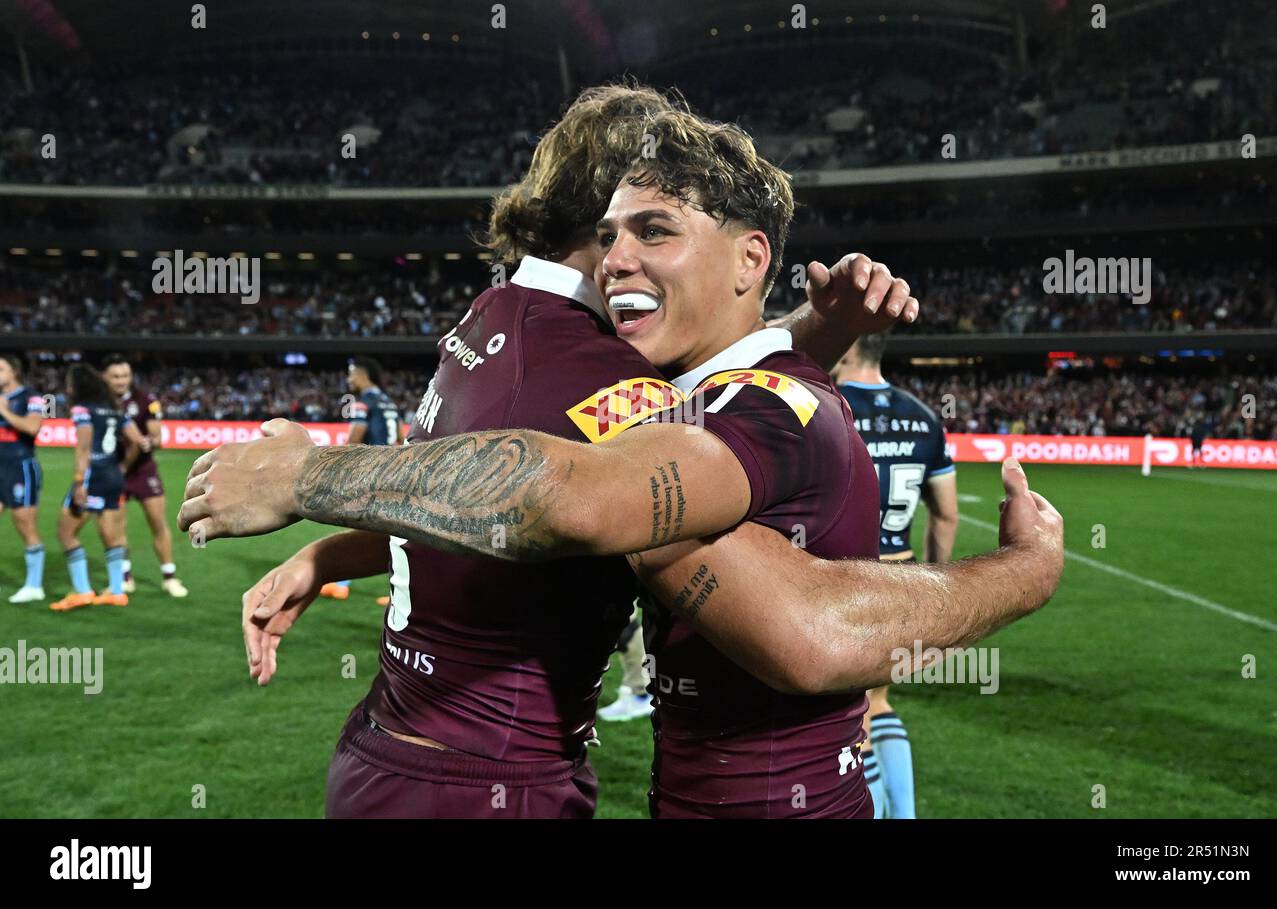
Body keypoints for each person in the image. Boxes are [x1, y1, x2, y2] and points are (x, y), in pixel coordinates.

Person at [179, 104, 1064, 818]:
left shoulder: (706, 392)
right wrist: (332, 545)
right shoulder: (676, 390)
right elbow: (540, 488)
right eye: (609, 236)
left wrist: (308, 481)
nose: (618, 261)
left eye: (654, 231)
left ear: (751, 257)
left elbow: (584, 507)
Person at [836, 333, 959, 819]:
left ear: (846, 351)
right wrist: (935, 581)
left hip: (848, 577)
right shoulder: (924, 415)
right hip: (903, 574)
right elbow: (946, 513)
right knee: (878, 701)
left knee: (848, 716)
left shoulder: (827, 406)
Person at [51, 364, 147, 612]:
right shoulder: (115, 409)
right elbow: (139, 441)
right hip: (113, 475)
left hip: (93, 475)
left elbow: (83, 447)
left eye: (69, 382)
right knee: (111, 535)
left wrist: (78, 479)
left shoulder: (83, 409)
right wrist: (124, 465)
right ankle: (116, 592)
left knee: (66, 533)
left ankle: (82, 591)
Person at [318, 356, 405, 602]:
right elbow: (399, 436)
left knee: (357, 525)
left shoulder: (363, 402)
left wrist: (340, 466)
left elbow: (355, 437)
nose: (349, 379)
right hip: (393, 469)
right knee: (393, 531)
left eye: (352, 374)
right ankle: (400, 589)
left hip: (372, 470)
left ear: (363, 375)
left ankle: (340, 583)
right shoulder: (388, 401)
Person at [101, 354, 188, 598]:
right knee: (116, 527)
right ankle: (125, 578)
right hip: (112, 472)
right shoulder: (98, 402)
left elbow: (158, 437)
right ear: (104, 377)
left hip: (142, 471)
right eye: (116, 376)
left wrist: (149, 443)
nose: (121, 381)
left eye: (125, 375)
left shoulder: (145, 400)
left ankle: (169, 577)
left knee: (157, 523)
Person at [0, 353, 48, 604]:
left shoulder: (32, 397)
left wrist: (4, 411)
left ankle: (34, 585)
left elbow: (32, 427)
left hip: (20, 467)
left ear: (13, 372)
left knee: (24, 523)